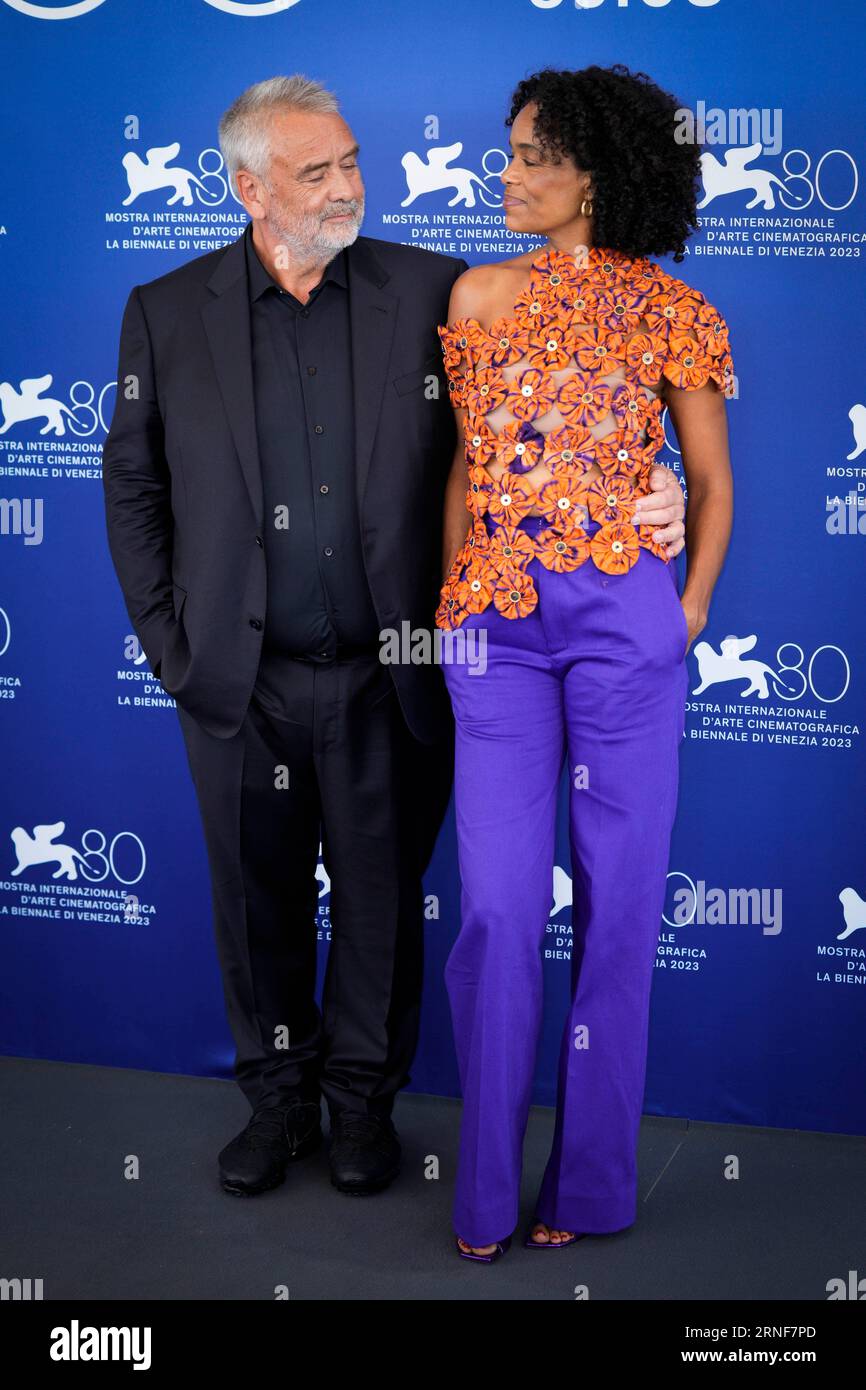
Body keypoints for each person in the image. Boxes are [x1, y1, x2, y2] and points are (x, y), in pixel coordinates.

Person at [102, 72, 686, 1209]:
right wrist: (171, 644)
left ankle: (364, 1106)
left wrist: (652, 487)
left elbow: (549, 424)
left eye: (352, 162)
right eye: (315, 171)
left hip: (393, 671)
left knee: (380, 900)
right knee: (255, 900)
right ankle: (277, 1102)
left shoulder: (437, 290)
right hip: (237, 678)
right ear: (247, 186)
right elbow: (132, 486)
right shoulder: (164, 312)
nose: (345, 186)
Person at [436, 64, 734, 1261]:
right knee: (501, 908)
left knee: (618, 908)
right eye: (505, 152)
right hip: (493, 632)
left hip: (624, 628)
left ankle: (593, 1180)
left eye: (529, 157)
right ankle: (480, 1193)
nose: (504, 175)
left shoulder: (675, 311)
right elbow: (466, 463)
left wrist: (688, 611)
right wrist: (449, 599)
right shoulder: (471, 299)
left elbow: (707, 483)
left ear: (595, 175)